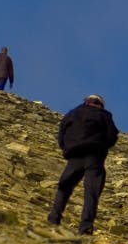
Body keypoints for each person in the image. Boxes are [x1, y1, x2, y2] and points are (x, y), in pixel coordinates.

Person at [48, 94, 119, 235]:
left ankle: (54, 218)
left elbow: (61, 133)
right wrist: (102, 146)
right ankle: (85, 227)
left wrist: (67, 148)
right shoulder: (104, 115)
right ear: (100, 104)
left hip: (74, 155)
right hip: (94, 156)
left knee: (64, 187)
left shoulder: (72, 114)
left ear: (86, 102)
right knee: (91, 193)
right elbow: (112, 136)